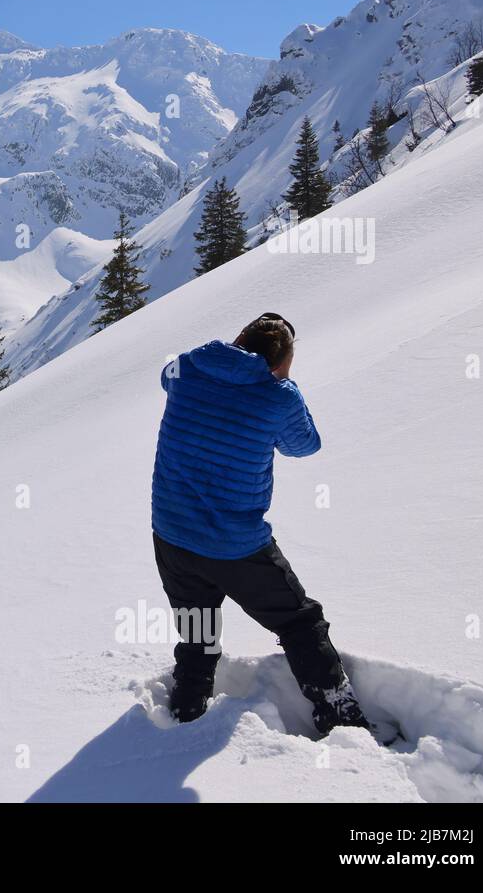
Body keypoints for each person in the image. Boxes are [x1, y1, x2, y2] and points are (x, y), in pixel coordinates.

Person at [151, 313, 369, 735]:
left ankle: (186, 710)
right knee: (299, 621)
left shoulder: (186, 367)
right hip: (235, 544)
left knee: (198, 626)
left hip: (172, 533)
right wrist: (285, 384)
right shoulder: (278, 396)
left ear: (238, 338)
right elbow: (304, 445)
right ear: (282, 361)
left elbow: (166, 377)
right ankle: (337, 711)